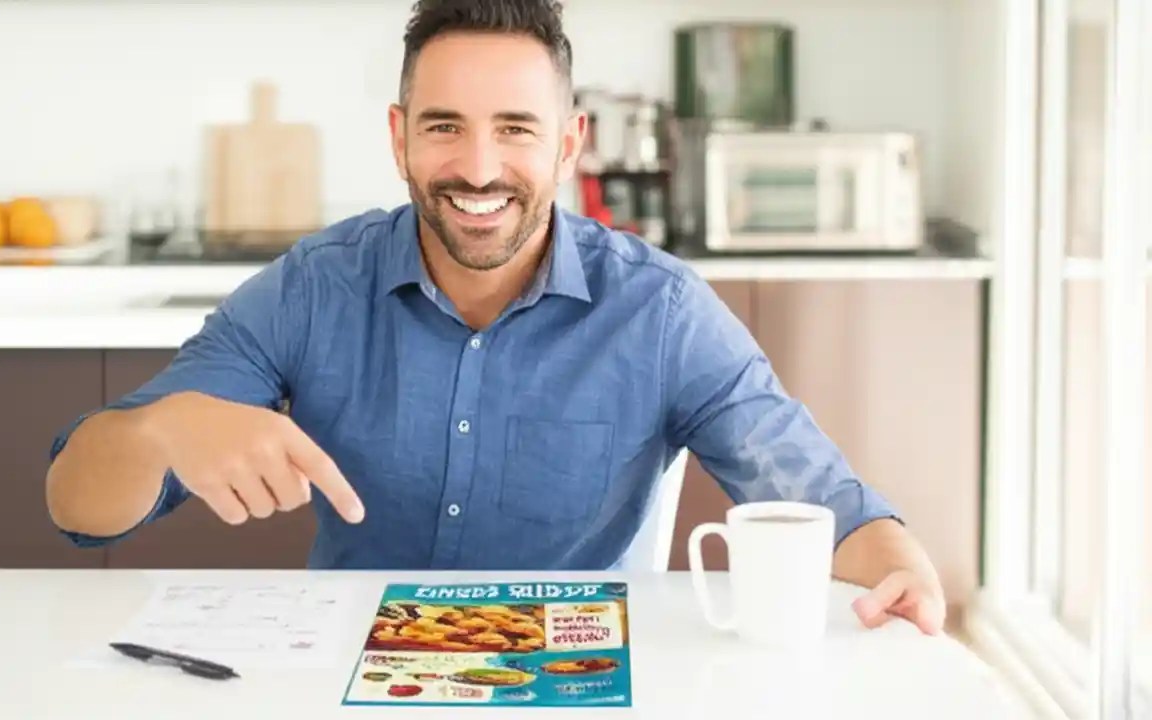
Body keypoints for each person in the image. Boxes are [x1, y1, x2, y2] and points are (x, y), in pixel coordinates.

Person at [46, 0, 946, 635]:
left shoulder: (662, 310)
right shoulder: (312, 289)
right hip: (351, 678)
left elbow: (823, 502)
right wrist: (163, 428)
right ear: (399, 137)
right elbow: (76, 505)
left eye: (515, 128)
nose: (479, 168)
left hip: (580, 681)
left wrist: (900, 565)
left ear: (568, 143)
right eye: (445, 127)